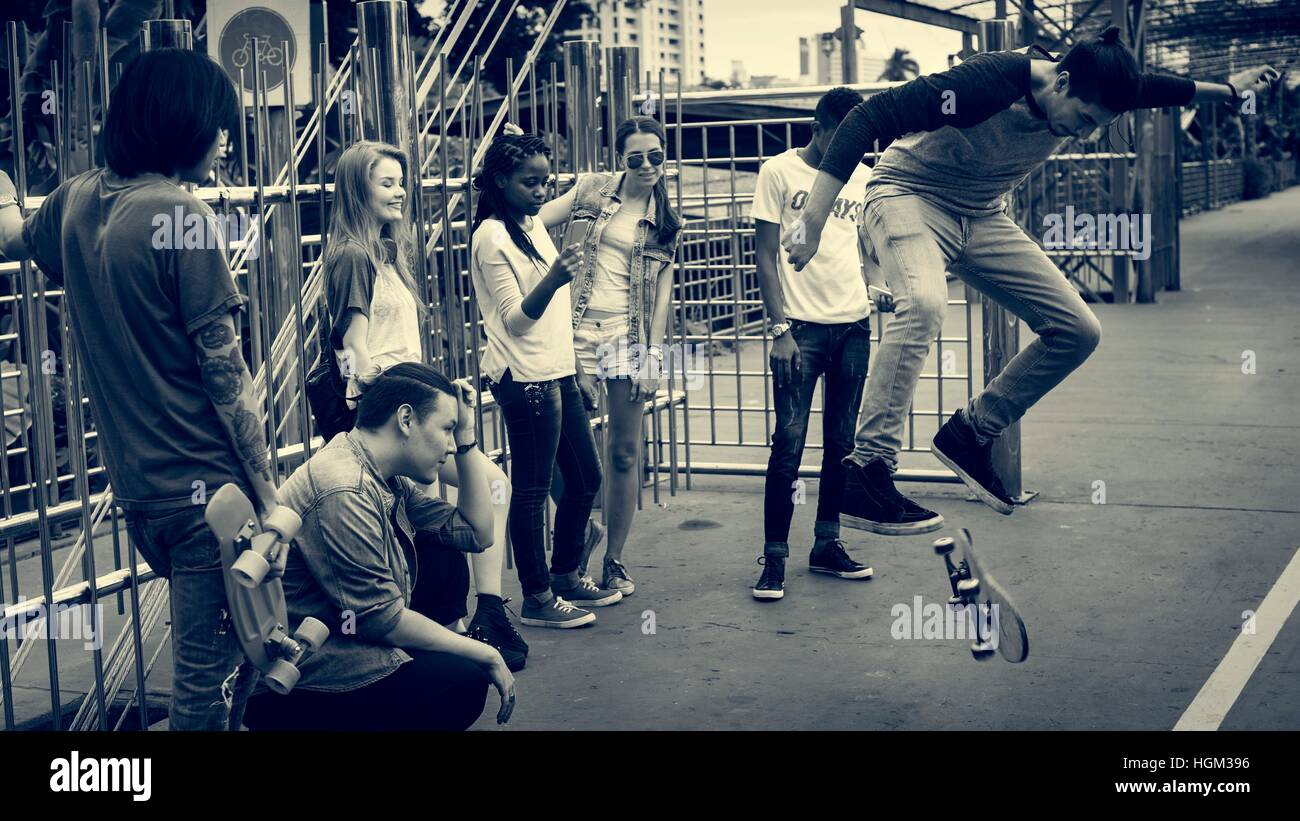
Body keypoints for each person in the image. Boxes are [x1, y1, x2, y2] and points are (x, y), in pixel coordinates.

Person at [783, 27, 1280, 528]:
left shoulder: (1096, 80)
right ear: (1061, 82)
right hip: (908, 195)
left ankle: (971, 431)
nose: (1083, 132)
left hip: (981, 215)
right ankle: (866, 471)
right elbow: (866, 116)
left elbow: (1162, 88)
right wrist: (814, 221)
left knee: (1079, 331)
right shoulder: (988, 82)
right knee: (926, 303)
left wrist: (1231, 89)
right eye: (1084, 119)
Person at [0, 48, 277, 730]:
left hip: (142, 491)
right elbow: (224, 372)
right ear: (180, 122)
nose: (225, 140)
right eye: (218, 124)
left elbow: (10, 236)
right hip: (212, 492)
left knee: (235, 660)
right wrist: (269, 491)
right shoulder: (180, 215)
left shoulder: (75, 199)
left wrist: (6, 182)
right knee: (207, 691)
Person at [322, 140, 526, 669]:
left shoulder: (387, 253)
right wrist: (371, 387)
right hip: (394, 417)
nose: (399, 192)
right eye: (385, 183)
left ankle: (480, 611)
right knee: (441, 514)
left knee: (475, 496)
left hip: (415, 406)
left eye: (400, 181)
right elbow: (352, 343)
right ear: (356, 189)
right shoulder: (352, 255)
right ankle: (467, 620)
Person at [242, 364, 515, 731]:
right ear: (406, 419)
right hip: (304, 673)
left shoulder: (378, 471)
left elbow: (477, 534)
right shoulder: (346, 487)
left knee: (445, 559)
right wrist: (483, 651)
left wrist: (467, 438)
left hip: (341, 635)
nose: (451, 446)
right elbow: (380, 619)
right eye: (447, 429)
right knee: (462, 682)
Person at [469, 130, 619, 628]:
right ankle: (536, 597)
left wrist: (574, 366)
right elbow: (514, 318)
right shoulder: (491, 236)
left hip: (555, 370)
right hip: (524, 377)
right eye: (530, 183)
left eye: (544, 182)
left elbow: (577, 197)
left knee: (585, 478)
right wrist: (555, 278)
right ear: (500, 181)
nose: (540, 192)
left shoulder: (529, 222)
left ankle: (567, 575)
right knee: (532, 490)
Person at [534, 116, 681, 596]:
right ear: (620, 159)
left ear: (665, 156)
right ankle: (583, 525)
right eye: (635, 158)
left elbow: (662, 291)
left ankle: (613, 560)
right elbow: (534, 221)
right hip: (572, 330)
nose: (647, 166)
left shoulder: (667, 221)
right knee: (554, 447)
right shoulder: (590, 190)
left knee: (623, 451)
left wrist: (654, 354)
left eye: (655, 156)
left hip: (627, 335)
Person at [749, 88, 880, 601]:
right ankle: (774, 558)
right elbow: (763, 256)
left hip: (853, 327)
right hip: (799, 331)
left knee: (842, 446)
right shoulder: (777, 172)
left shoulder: (863, 177)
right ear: (819, 128)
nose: (852, 151)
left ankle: (828, 544)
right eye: (843, 139)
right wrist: (778, 330)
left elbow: (862, 247)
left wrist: (877, 287)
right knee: (788, 446)